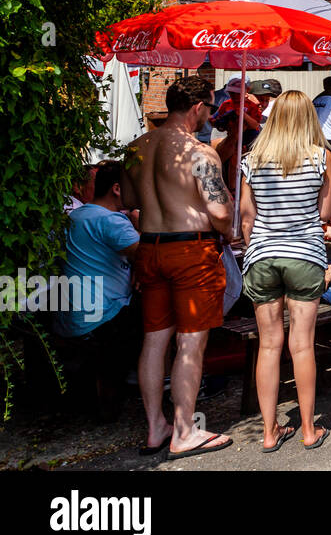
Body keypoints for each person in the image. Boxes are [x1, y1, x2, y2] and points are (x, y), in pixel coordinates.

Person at [121, 76, 235, 459]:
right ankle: (185, 431)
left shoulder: (135, 149)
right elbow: (219, 212)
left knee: (154, 340)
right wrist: (229, 219)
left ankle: (156, 427)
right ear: (197, 107)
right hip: (190, 252)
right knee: (190, 341)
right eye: (210, 108)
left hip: (150, 248)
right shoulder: (199, 153)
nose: (211, 115)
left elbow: (132, 199)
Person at [239, 91, 331, 452]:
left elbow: (247, 216)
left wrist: (255, 246)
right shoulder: (320, 157)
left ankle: (268, 432)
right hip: (304, 255)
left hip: (262, 257)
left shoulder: (253, 158)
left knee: (268, 345)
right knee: (302, 345)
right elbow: (326, 213)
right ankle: (309, 430)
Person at [53, 160, 141, 422]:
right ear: (117, 189)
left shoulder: (78, 215)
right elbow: (152, 258)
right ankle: (161, 382)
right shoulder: (112, 221)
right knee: (162, 306)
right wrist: (140, 220)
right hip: (102, 317)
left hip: (69, 316)